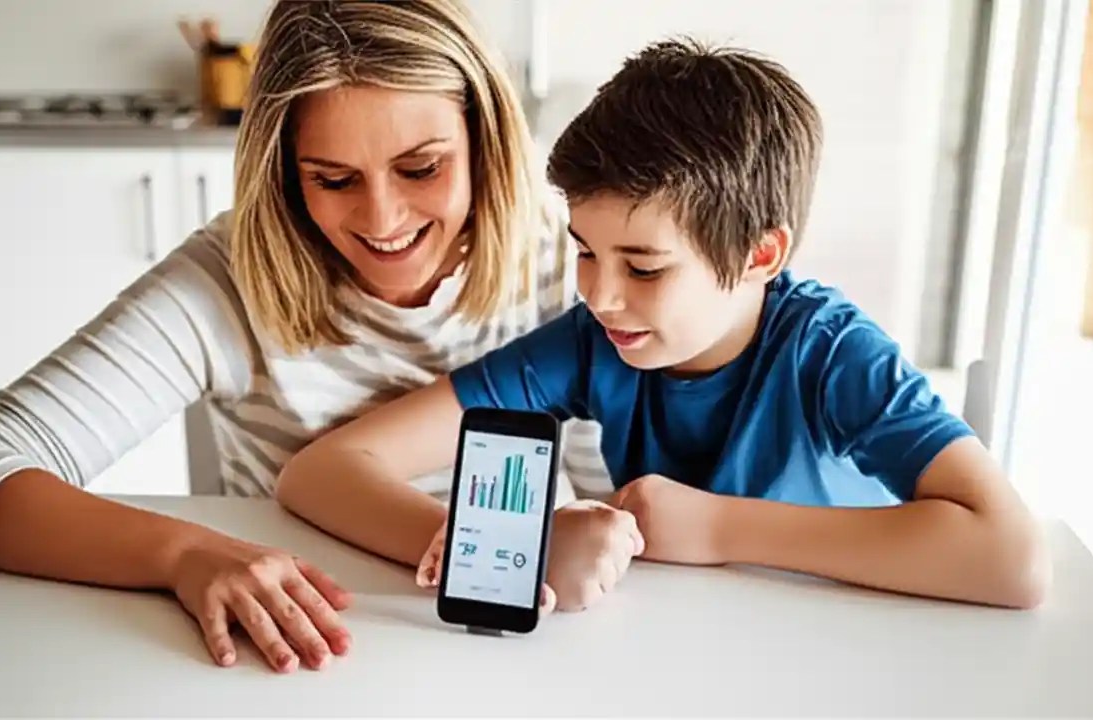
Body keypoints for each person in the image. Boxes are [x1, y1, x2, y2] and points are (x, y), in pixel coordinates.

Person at [0, 0, 606, 674]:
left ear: (484, 135)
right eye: (333, 179)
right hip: (296, 664)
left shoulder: (565, 257)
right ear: (284, 172)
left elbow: (621, 489)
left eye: (422, 168)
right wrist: (180, 553)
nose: (382, 216)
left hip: (523, 656)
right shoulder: (226, 283)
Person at [278, 40, 1052, 612]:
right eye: (585, 251)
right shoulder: (591, 343)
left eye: (644, 267)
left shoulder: (833, 357)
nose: (602, 295)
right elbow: (322, 472)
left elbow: (1012, 559)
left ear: (760, 253)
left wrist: (715, 529)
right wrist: (513, 550)